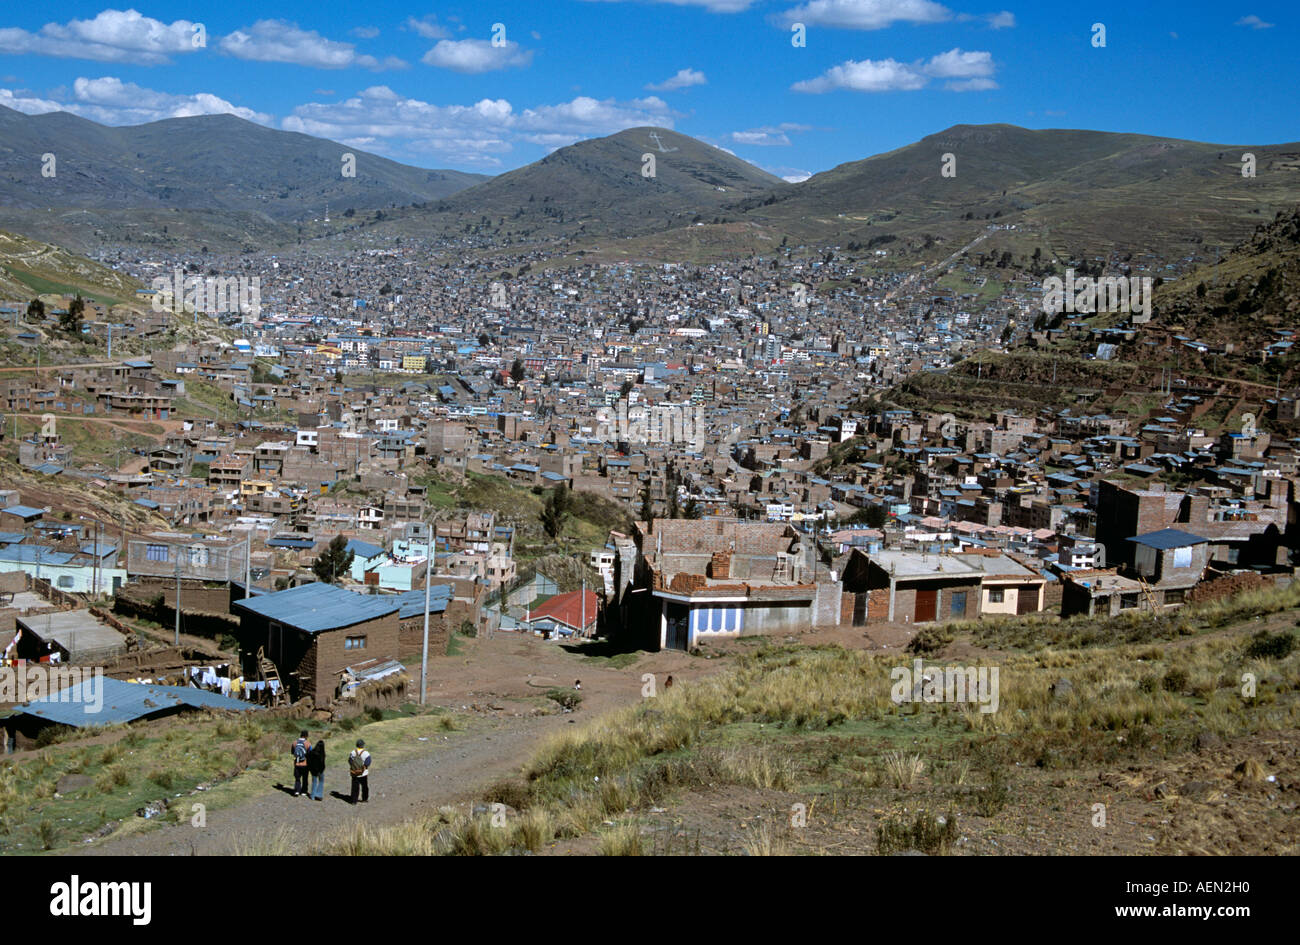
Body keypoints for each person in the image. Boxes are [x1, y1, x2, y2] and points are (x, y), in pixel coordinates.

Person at [348, 739, 371, 804]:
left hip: (354, 773)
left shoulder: (352, 752)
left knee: (355, 787)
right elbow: (368, 763)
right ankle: (364, 798)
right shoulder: (366, 753)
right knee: (364, 786)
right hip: (363, 773)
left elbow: (349, 761)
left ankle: (354, 801)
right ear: (363, 745)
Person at [291, 730, 310, 796]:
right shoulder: (308, 743)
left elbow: (293, 752)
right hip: (305, 764)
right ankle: (304, 791)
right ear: (306, 736)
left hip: (297, 763)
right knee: (305, 778)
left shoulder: (294, 742)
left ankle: (297, 791)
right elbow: (310, 753)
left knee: (297, 778)